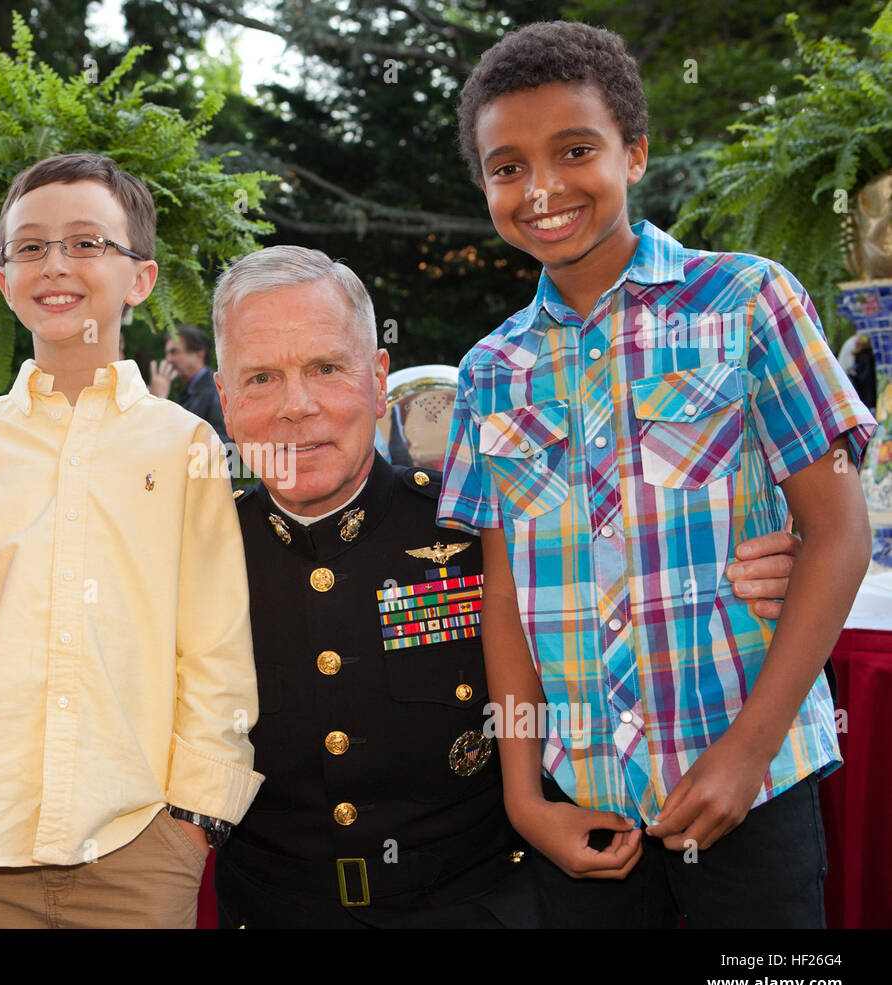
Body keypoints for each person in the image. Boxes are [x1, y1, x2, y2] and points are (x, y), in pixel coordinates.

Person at [209, 245, 805, 928]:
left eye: (325, 368)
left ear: (379, 382)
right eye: (260, 378)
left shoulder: (482, 528)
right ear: (225, 402)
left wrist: (773, 562)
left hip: (481, 908)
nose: (297, 406)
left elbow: (635, 570)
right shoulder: (186, 557)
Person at [439, 21, 876, 928]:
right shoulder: (489, 371)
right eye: (507, 166)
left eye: (575, 151)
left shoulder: (748, 300)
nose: (543, 189)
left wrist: (748, 754)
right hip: (584, 810)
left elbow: (838, 534)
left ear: (634, 153)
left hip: (748, 790)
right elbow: (504, 597)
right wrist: (526, 797)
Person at [0, 153, 262, 929]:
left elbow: (215, 646)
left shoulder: (187, 445)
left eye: (86, 243)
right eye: (29, 247)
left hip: (140, 850)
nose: (55, 264)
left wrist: (192, 824)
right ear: (3, 283)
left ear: (140, 278)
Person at [149, 324, 230, 445]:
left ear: (199, 354)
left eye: (174, 352)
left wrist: (160, 400)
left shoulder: (214, 390)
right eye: (167, 354)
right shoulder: (189, 391)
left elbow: (224, 444)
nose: (168, 359)